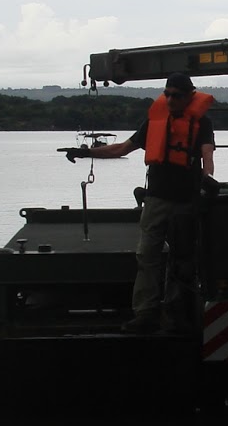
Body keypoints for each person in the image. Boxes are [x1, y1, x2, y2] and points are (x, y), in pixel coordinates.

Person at [84, 73, 216, 334]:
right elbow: (121, 149)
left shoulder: (202, 123)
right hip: (156, 198)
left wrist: (207, 179)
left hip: (185, 202)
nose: (169, 100)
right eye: (166, 94)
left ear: (189, 96)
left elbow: (207, 155)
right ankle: (145, 312)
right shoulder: (154, 122)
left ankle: (178, 312)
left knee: (183, 259)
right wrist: (86, 152)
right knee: (147, 256)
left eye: (176, 95)